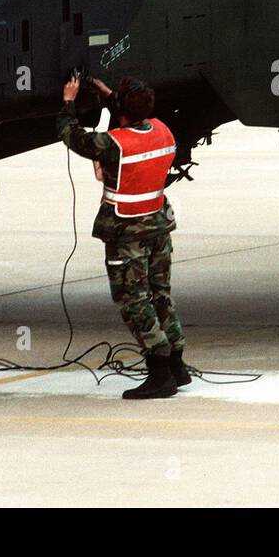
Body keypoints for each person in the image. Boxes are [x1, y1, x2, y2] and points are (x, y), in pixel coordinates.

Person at [58, 73, 188, 399]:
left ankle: (159, 373)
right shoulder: (162, 131)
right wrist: (110, 98)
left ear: (122, 110)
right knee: (161, 294)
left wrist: (69, 101)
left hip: (127, 232)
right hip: (158, 226)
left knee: (134, 301)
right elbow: (129, 121)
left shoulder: (112, 144)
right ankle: (176, 364)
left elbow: (70, 134)